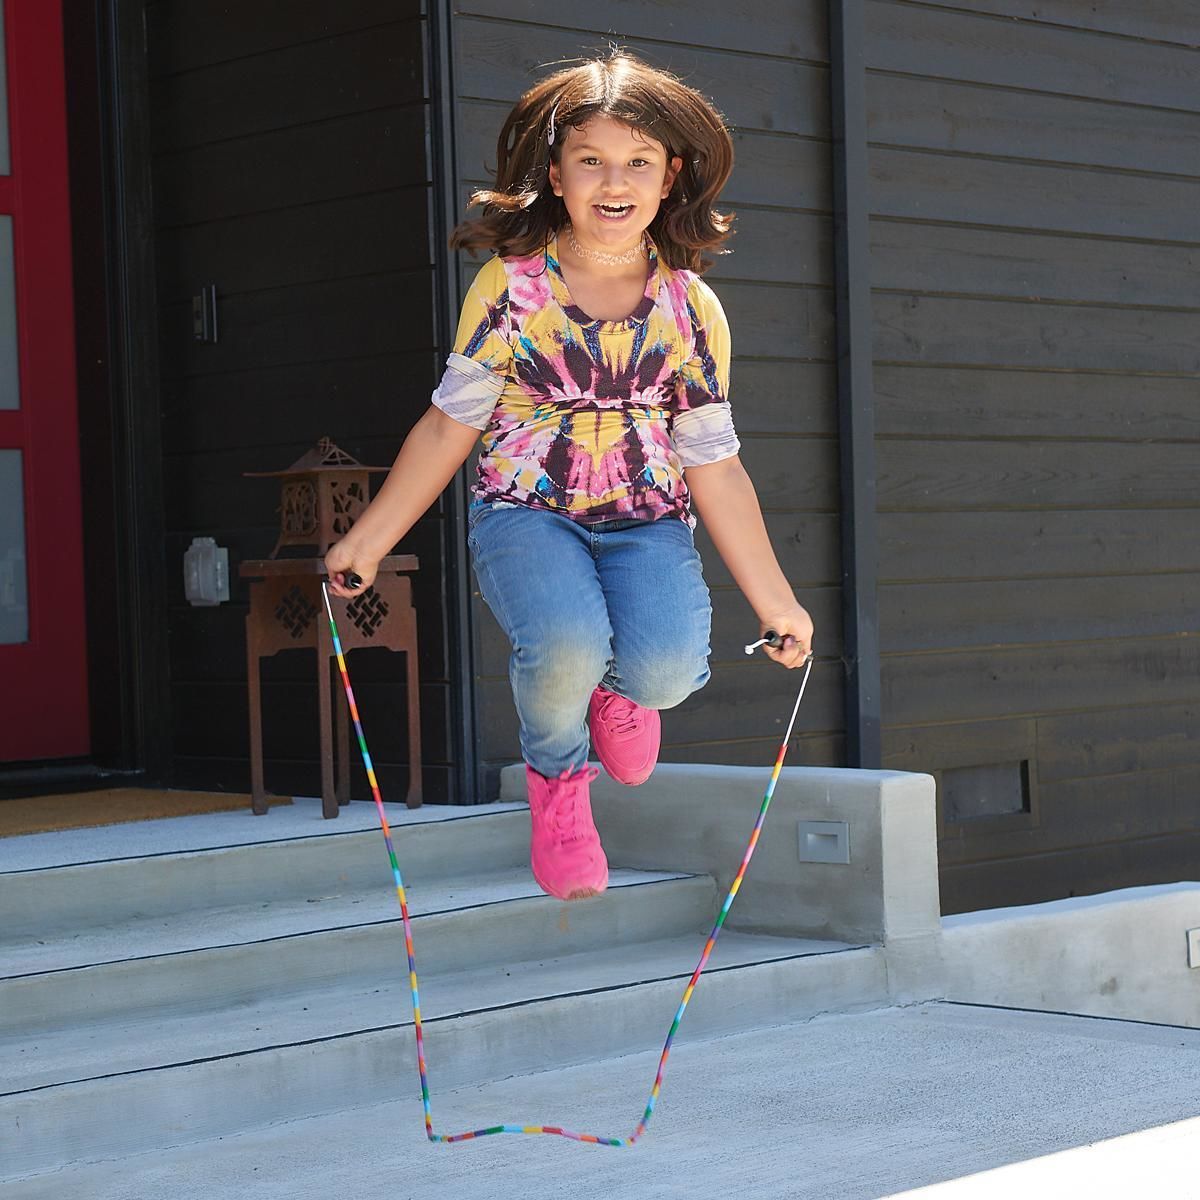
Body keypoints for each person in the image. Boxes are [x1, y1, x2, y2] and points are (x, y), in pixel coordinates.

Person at [325, 49, 814, 904]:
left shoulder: (691, 308)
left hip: (647, 521)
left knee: (664, 671)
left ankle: (618, 697)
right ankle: (557, 785)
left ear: (673, 177)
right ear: (555, 175)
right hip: (527, 514)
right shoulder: (509, 292)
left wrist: (778, 602)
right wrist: (367, 539)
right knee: (564, 646)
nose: (612, 181)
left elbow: (715, 461)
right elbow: (450, 424)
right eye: (590, 160)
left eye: (638, 162)